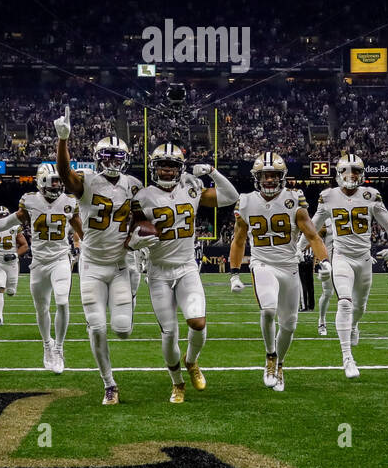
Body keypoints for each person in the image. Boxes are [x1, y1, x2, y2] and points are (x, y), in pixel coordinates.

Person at [128, 142, 238, 403]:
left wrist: (212, 171)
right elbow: (128, 237)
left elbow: (231, 196)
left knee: (198, 323)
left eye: (172, 166)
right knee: (169, 333)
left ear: (179, 169)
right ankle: (177, 383)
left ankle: (191, 361)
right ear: (154, 168)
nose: (167, 171)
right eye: (162, 166)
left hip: (187, 267)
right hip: (158, 272)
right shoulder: (142, 197)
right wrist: (135, 241)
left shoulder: (192, 187)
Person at [54, 110, 146, 405]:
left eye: (117, 157)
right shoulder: (88, 181)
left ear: (125, 159)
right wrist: (63, 140)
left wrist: (140, 236)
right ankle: (109, 383)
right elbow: (64, 174)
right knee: (98, 326)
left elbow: (143, 220)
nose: (112, 162)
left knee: (122, 330)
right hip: (92, 265)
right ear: (98, 158)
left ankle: (128, 300)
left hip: (120, 265)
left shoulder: (133, 185)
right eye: (107, 156)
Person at [229, 152, 329, 392]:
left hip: (289, 266)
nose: (270, 180)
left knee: (290, 325)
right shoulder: (245, 201)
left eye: (274, 175)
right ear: (257, 177)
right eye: (265, 175)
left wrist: (324, 260)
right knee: (268, 309)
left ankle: (280, 363)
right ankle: (270, 357)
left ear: (282, 177)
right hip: (262, 263)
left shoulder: (294, 198)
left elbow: (312, 234)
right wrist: (234, 273)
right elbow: (239, 239)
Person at [0, 162, 82, 374]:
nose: (57, 185)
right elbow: (6, 222)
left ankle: (59, 347)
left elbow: (81, 230)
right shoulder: (30, 201)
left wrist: (91, 248)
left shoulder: (69, 202)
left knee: (63, 302)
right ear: (42, 182)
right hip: (38, 262)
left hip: (60, 258)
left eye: (59, 181)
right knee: (42, 308)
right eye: (53, 181)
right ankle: (47, 345)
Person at [315, 153, 388, 379]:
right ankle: (347, 357)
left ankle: (353, 326)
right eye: (346, 171)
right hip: (341, 256)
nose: (351, 175)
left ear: (362, 174)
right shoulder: (328, 196)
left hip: (363, 259)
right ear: (339, 173)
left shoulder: (371, 195)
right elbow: (313, 227)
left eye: (356, 171)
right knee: (344, 303)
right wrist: (299, 248)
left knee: (359, 307)